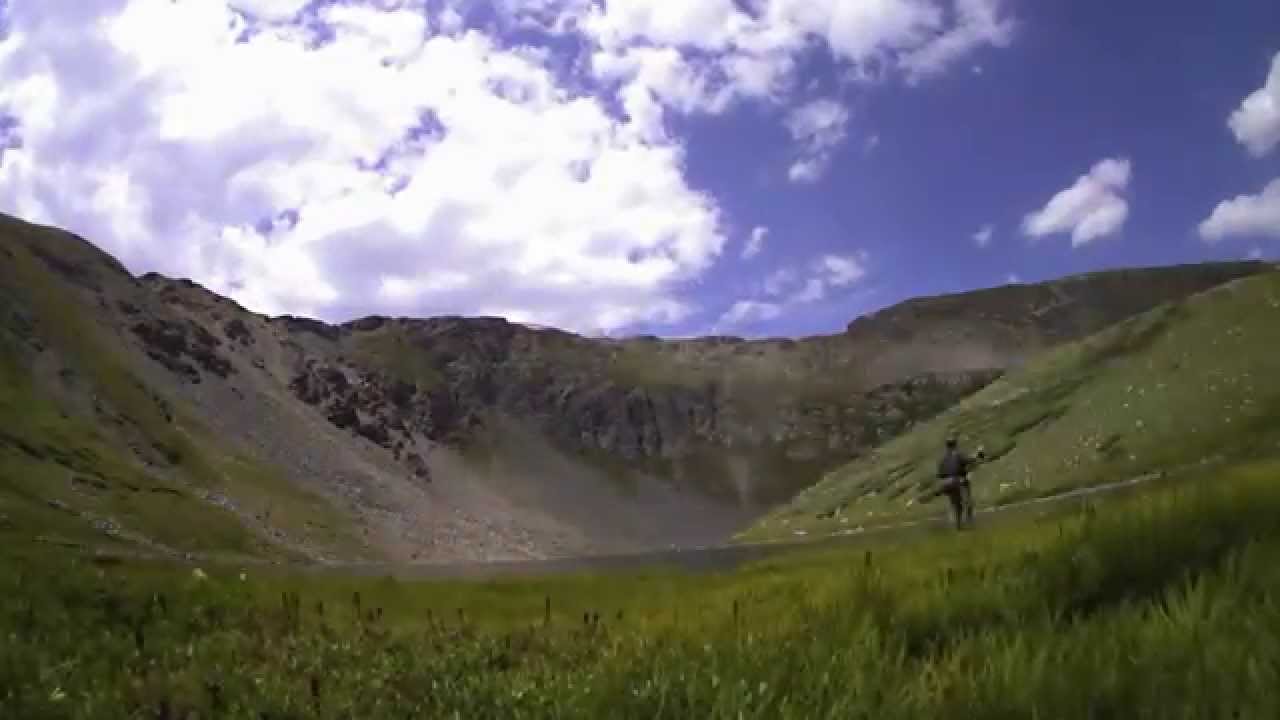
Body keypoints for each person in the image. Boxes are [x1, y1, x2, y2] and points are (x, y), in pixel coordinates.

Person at [928, 437, 983, 529]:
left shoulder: (943, 459)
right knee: (968, 502)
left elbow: (939, 475)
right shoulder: (958, 455)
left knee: (956, 505)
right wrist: (978, 452)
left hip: (946, 484)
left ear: (946, 446)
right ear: (955, 445)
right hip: (957, 482)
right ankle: (969, 523)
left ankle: (958, 526)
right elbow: (971, 460)